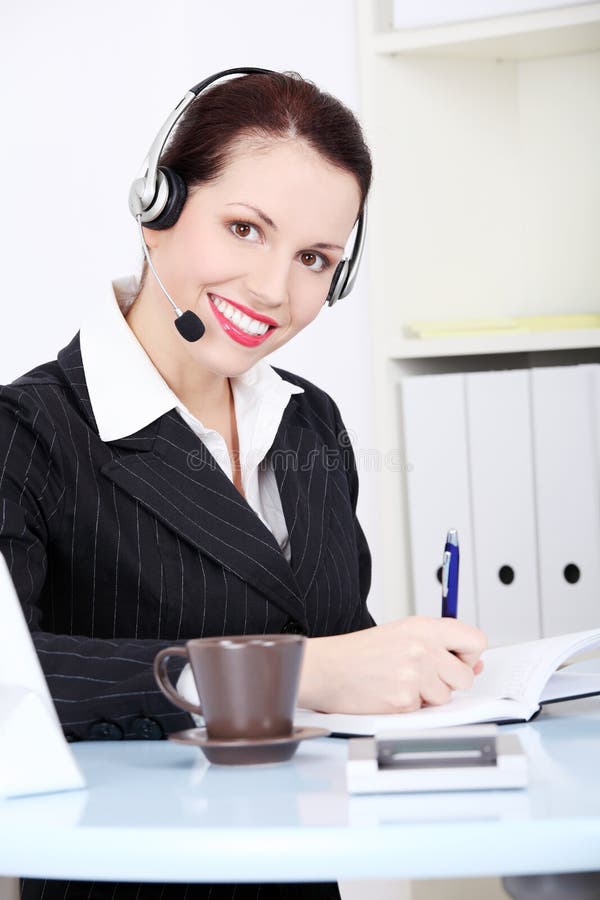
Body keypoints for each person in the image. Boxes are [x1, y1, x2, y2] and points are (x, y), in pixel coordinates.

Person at [0, 68, 486, 900]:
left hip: (300, 873)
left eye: (312, 258)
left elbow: (335, 649)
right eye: (244, 228)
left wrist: (416, 679)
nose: (272, 291)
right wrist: (290, 674)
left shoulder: (307, 423)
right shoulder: (29, 432)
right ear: (157, 210)